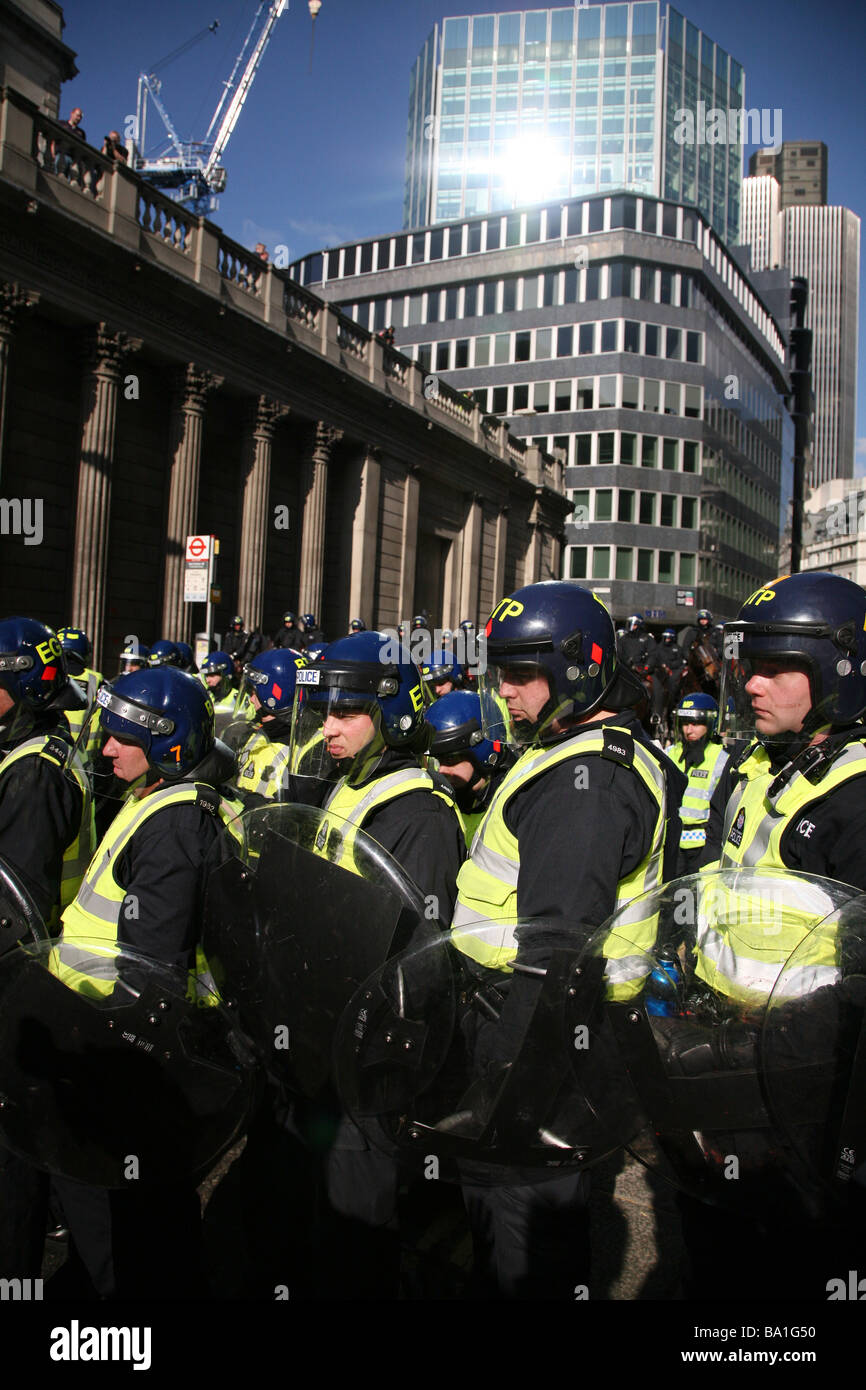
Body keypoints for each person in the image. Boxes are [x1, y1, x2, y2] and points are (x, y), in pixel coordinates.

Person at [449, 581, 685, 1299]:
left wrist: (498, 1095)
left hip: (539, 1056)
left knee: (521, 1251)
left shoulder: (587, 782)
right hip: (548, 1043)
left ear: (577, 669)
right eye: (500, 672)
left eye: (523, 675)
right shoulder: (576, 748)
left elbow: (557, 958)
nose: (506, 692)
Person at [665, 570, 866, 1300]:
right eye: (752, 665)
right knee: (714, 1253)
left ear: (840, 672)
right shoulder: (758, 764)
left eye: (781, 668)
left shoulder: (856, 795)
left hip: (797, 1085)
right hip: (721, 1054)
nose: (753, 683)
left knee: (779, 1272)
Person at [281, 629, 465, 1296]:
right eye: (325, 710)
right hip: (319, 1032)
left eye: (348, 712)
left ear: (393, 715)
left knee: (357, 1222)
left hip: (364, 1051)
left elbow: (414, 956)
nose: (329, 727)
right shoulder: (348, 785)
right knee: (318, 1212)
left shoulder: (417, 811)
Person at [51, 665, 242, 1298]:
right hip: (100, 1041)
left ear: (170, 743)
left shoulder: (174, 825)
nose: (105, 749)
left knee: (128, 1241)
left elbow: (150, 972)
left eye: (120, 738)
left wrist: (115, 1074)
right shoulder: (152, 803)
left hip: (125, 1061)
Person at [0, 617, 94, 1285]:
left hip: (22, 987)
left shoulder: (36, 773)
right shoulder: (25, 754)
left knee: (12, 1165)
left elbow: (15, 908)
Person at [425, 688, 512, 845]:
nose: (441, 770)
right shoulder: (439, 809)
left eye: (451, 759)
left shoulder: (515, 808)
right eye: (437, 760)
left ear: (484, 751)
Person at [666, 692, 729, 871]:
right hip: (673, 842)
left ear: (710, 724)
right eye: (685, 723)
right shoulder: (670, 753)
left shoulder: (720, 759)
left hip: (703, 846)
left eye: (696, 724)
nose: (689, 729)